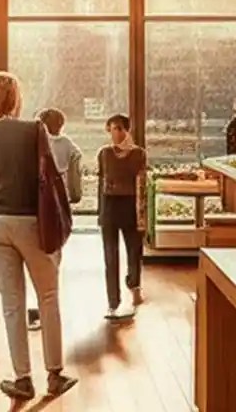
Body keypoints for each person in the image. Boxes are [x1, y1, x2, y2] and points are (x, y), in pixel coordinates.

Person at [0, 72, 77, 400]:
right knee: (48, 296)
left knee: (12, 304)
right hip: (31, 222)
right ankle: (54, 375)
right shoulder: (34, 130)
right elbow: (49, 175)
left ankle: (22, 380)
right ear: (17, 98)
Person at [97, 113, 147, 320]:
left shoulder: (139, 154)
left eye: (119, 128)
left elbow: (142, 185)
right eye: (112, 129)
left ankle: (134, 285)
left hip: (130, 206)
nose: (115, 133)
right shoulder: (104, 153)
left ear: (127, 130)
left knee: (134, 250)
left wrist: (143, 215)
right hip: (109, 206)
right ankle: (112, 301)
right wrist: (99, 212)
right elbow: (101, 182)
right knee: (110, 255)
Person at [37, 108, 83, 205]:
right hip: (61, 180)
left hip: (43, 181)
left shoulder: (40, 140)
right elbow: (76, 155)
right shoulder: (65, 141)